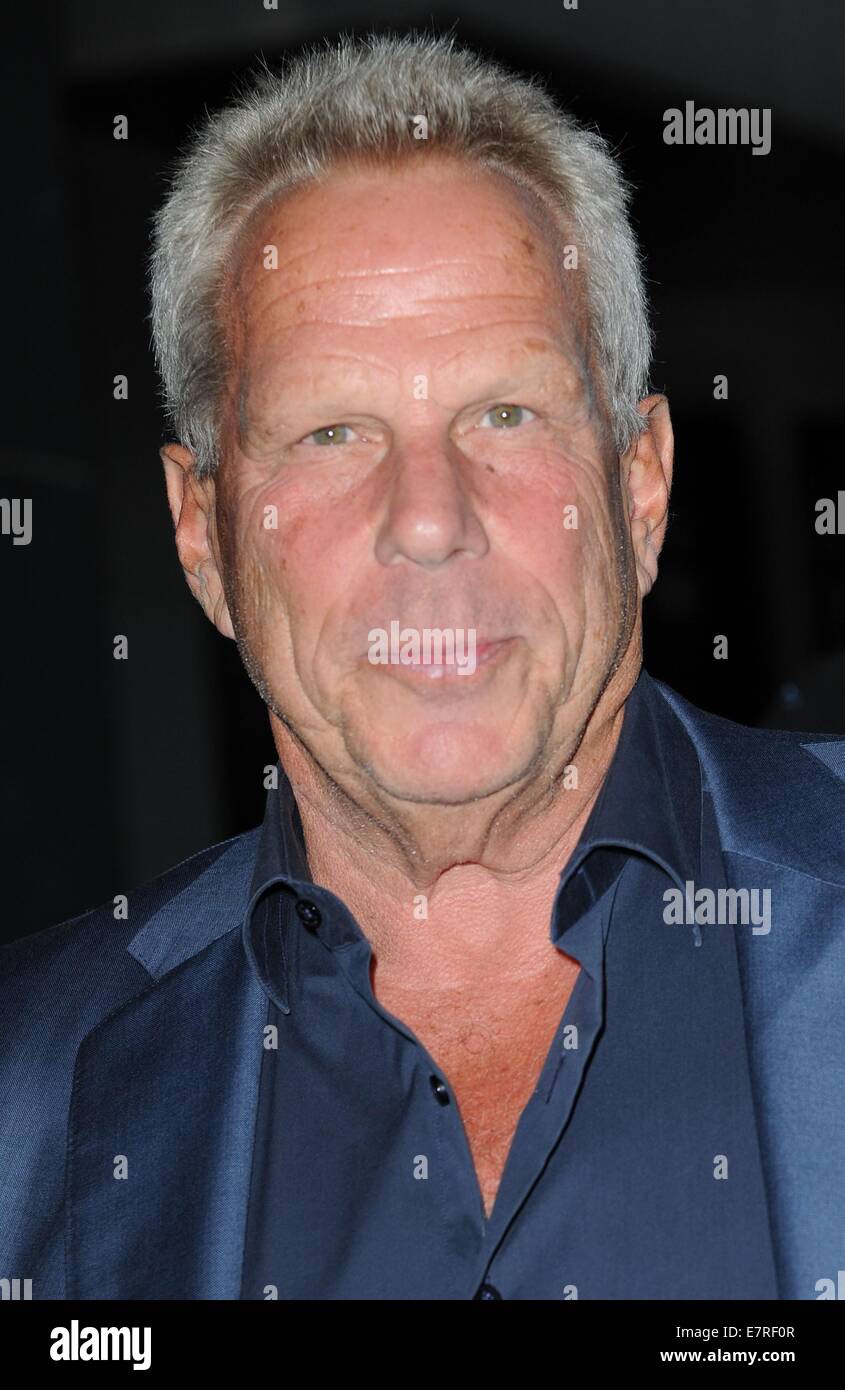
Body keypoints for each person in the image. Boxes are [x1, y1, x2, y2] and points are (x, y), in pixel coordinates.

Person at [2, 31, 843, 1302]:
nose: (430, 515)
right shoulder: (31, 1087)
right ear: (203, 538)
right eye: (331, 431)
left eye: (504, 412)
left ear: (641, 485)